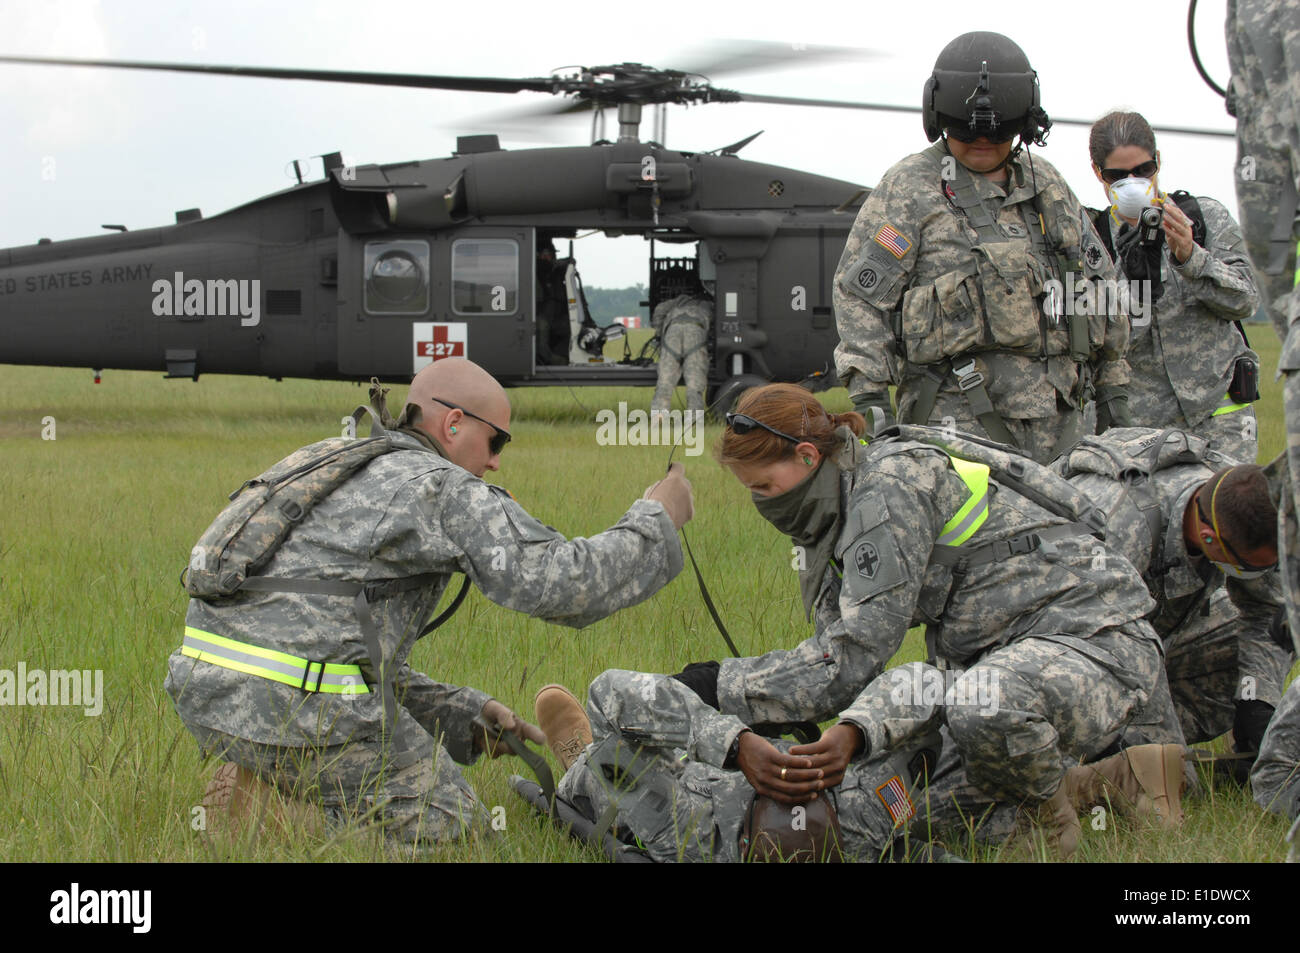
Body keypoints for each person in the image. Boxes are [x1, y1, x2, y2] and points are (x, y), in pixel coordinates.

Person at [540, 383, 1184, 860]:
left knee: (978, 709)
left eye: (763, 487)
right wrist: (754, 727)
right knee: (923, 796)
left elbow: (850, 662)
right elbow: (829, 655)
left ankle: (1053, 824)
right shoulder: (829, 512)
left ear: (807, 458)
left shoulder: (886, 492)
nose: (762, 505)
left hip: (1086, 639)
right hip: (1001, 654)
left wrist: (716, 693)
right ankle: (1110, 781)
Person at [165, 357, 694, 847]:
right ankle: (279, 818)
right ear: (454, 423)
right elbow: (562, 586)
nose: (494, 463)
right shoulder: (437, 487)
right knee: (460, 841)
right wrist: (656, 520)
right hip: (296, 710)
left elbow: (329, 643)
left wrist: (462, 715)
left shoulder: (334, 460)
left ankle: (263, 772)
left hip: (208, 693)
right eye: (497, 441)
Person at [834, 31, 1131, 464]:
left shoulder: (1046, 185)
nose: (982, 143)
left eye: (998, 135)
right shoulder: (910, 190)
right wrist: (869, 399)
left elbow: (1098, 285)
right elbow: (860, 298)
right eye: (966, 134)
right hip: (956, 429)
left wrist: (1113, 387)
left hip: (1065, 424)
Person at [1052, 428, 1291, 768]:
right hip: (1076, 638)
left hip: (1149, 630)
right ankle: (1105, 746)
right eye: (1250, 567)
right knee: (1168, 778)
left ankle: (1132, 740)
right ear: (1209, 538)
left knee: (1263, 637)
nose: (1261, 575)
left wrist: (1257, 701)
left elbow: (1266, 610)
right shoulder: (1118, 526)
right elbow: (1074, 637)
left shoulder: (1247, 501)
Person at [1085, 112, 1260, 463]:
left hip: (1220, 421)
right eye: (1117, 176)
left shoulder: (1206, 218)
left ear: (1158, 162)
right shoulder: (1090, 241)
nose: (1132, 181)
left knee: (1226, 516)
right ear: (1097, 172)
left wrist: (1192, 257)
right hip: (1138, 435)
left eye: (1143, 170)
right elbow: (1098, 346)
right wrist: (1135, 286)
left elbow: (1246, 301)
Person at [651, 284, 712, 416]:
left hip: (673, 330)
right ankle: (694, 418)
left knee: (665, 378)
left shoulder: (680, 300)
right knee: (695, 380)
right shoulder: (710, 304)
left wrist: (660, 332)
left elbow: (659, 310)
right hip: (696, 332)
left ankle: (659, 415)